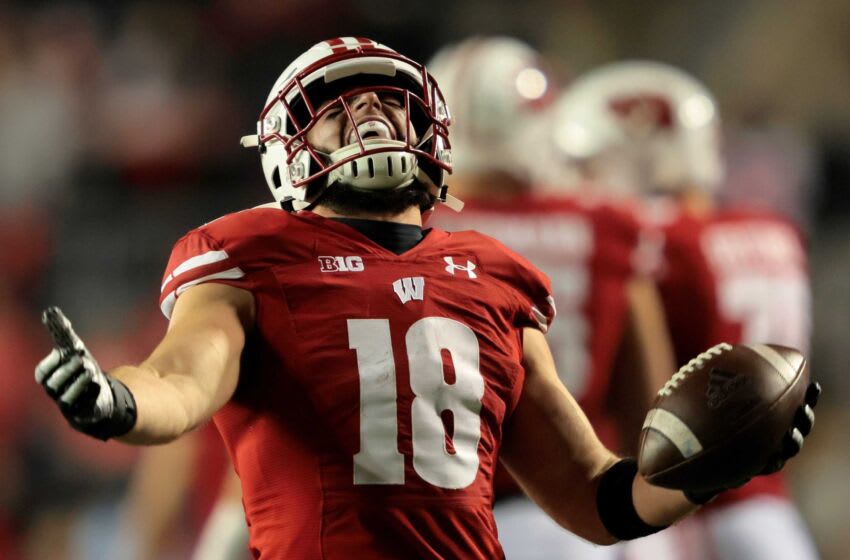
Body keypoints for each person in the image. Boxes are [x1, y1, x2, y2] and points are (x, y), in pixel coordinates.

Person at [33, 38, 817, 559]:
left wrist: (708, 470)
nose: (371, 115)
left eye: (389, 102)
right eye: (339, 109)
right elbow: (181, 380)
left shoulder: (497, 277)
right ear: (287, 150)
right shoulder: (249, 254)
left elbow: (597, 499)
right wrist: (119, 401)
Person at [553, 60, 820, 560]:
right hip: (768, 509)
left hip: (683, 511)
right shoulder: (775, 230)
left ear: (624, 155)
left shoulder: (652, 240)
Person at [427, 37, 676, 560]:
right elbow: (649, 406)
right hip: (573, 523)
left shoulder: (400, 231)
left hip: (427, 523)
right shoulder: (605, 224)